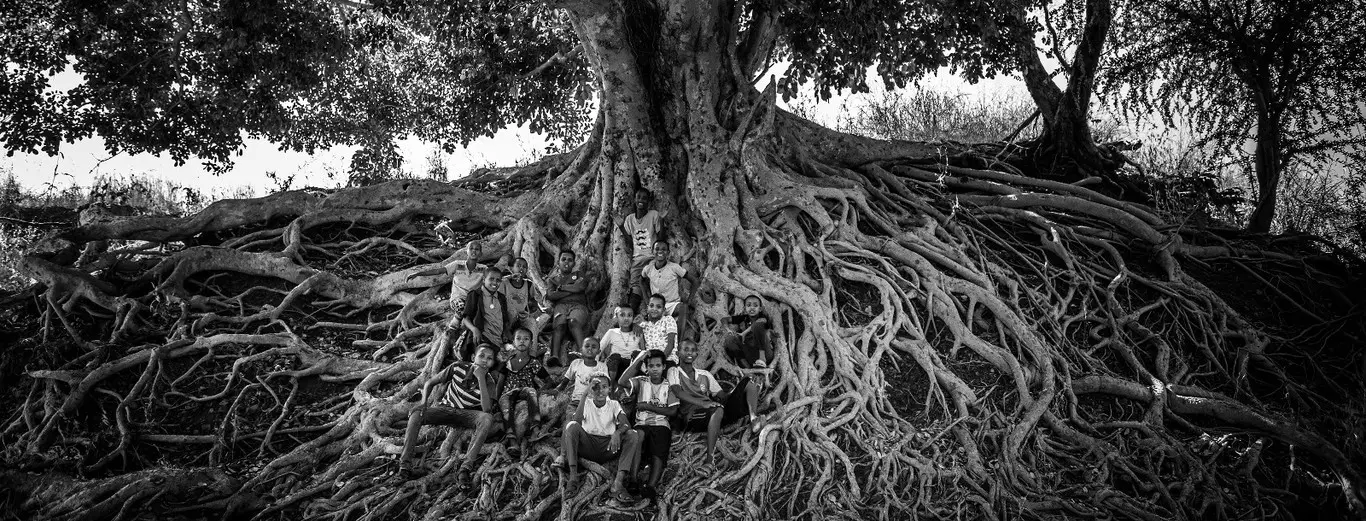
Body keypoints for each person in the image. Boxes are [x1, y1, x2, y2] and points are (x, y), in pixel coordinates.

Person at [400, 344, 502, 486]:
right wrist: (423, 403)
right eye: (482, 356)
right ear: (473, 357)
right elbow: (430, 382)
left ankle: (465, 468)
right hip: (445, 410)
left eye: (489, 359)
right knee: (416, 415)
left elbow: (486, 409)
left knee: (487, 419)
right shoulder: (457, 367)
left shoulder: (489, 382)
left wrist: (480, 379)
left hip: (467, 415)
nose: (485, 360)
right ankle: (405, 466)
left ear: (492, 363)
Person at [667, 340, 762, 464]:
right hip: (693, 417)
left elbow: (723, 396)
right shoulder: (674, 371)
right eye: (685, 349)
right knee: (717, 409)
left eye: (693, 350)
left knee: (750, 380)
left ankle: (754, 419)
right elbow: (678, 392)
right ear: (678, 353)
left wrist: (740, 386)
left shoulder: (705, 374)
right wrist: (703, 403)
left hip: (716, 414)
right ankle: (709, 460)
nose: (689, 353)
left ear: (696, 354)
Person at [562, 375, 642, 502]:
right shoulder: (586, 403)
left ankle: (618, 484)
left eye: (604, 387)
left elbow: (626, 424)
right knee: (571, 426)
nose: (600, 391)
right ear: (590, 389)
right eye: (595, 387)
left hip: (608, 447)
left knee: (633, 434)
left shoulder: (614, 404)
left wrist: (617, 433)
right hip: (588, 446)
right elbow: (576, 420)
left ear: (609, 389)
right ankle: (573, 478)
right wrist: (583, 396)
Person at [407, 239, 486, 361]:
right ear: (466, 251)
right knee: (462, 309)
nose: (474, 251)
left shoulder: (483, 269)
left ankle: (467, 349)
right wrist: (418, 274)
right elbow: (439, 270)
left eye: (477, 249)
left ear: (480, 253)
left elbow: (495, 278)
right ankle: (457, 321)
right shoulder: (457, 265)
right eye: (471, 248)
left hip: (473, 301)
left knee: (477, 316)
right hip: (458, 299)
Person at [618, 349, 678, 499]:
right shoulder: (641, 381)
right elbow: (621, 382)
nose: (655, 369)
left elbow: (672, 411)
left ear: (664, 367)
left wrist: (648, 406)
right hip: (642, 423)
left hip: (661, 425)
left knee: (659, 451)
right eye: (651, 366)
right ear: (646, 368)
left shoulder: (670, 385)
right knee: (637, 436)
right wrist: (639, 359)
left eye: (658, 365)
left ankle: (651, 486)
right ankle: (633, 480)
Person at [500, 328, 544, 455]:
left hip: (525, 391)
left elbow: (548, 380)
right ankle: (512, 441)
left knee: (531, 391)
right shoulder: (507, 362)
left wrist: (541, 391)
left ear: (531, 342)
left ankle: (535, 429)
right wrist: (496, 399)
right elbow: (500, 383)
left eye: (526, 339)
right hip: (508, 393)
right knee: (506, 407)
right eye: (518, 338)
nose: (522, 341)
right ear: (513, 342)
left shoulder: (534, 363)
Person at [460, 265, 514, 361]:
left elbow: (504, 320)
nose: (495, 282)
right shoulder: (475, 295)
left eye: (498, 280)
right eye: (491, 279)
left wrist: (509, 338)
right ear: (484, 279)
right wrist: (474, 329)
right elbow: (466, 318)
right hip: (482, 337)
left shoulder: (501, 298)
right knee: (490, 359)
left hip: (498, 339)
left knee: (513, 355)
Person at [546, 250, 592, 361]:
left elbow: (580, 287)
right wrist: (573, 289)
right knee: (559, 325)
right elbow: (551, 295)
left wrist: (561, 288)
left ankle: (583, 353)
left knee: (573, 322)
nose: (566, 262)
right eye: (564, 259)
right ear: (558, 262)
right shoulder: (553, 279)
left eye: (570, 260)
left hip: (578, 306)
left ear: (574, 263)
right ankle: (554, 356)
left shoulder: (579, 274)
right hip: (561, 306)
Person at [621, 189, 662, 312]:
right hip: (637, 260)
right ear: (634, 199)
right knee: (636, 286)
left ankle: (654, 312)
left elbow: (661, 239)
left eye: (644, 198)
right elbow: (630, 243)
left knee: (654, 285)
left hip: (652, 258)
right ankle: (632, 312)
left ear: (648, 201)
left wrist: (662, 221)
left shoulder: (654, 215)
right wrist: (620, 226)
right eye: (638, 197)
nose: (641, 200)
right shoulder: (629, 219)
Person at [639, 240, 697, 319]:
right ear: (652, 251)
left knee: (683, 309)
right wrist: (647, 301)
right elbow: (641, 281)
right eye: (657, 249)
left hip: (672, 304)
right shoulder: (648, 268)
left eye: (663, 249)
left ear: (668, 252)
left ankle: (679, 331)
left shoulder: (674, 267)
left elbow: (695, 281)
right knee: (646, 318)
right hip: (656, 306)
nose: (660, 251)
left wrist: (689, 301)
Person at [501, 257, 551, 344]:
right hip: (507, 317)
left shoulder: (528, 284)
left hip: (522, 316)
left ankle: (532, 351)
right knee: (512, 312)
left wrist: (541, 309)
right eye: (518, 266)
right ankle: (507, 334)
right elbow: (498, 283)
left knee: (532, 323)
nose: (521, 268)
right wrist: (510, 276)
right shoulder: (505, 282)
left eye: (524, 267)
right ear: (511, 268)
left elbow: (533, 299)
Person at [600, 304, 645, 383]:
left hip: (632, 367)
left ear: (633, 318)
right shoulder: (612, 332)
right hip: (616, 367)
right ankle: (611, 385)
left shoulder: (638, 332)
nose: (626, 318)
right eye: (622, 315)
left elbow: (643, 350)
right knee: (615, 357)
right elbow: (599, 349)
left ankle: (630, 382)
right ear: (616, 317)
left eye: (629, 315)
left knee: (637, 354)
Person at [724, 295, 773, 368]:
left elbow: (756, 325)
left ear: (760, 309)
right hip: (750, 355)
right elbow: (724, 320)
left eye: (755, 305)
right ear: (744, 308)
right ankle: (747, 367)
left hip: (765, 354)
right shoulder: (742, 318)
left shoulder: (763, 318)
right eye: (749, 305)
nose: (752, 308)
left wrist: (744, 333)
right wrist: (728, 330)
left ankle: (762, 360)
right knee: (729, 339)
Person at [560, 337, 609, 410]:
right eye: (587, 346)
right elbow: (564, 382)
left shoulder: (602, 367)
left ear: (598, 352)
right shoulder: (576, 363)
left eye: (594, 347)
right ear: (581, 350)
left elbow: (604, 386)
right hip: (576, 402)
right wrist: (556, 390)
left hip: (594, 402)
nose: (590, 348)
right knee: (571, 418)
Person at [639, 294, 679, 363]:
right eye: (651, 306)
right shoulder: (644, 325)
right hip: (650, 361)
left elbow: (670, 345)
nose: (654, 309)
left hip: (667, 359)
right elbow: (642, 348)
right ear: (647, 308)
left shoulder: (668, 320)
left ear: (664, 310)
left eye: (658, 307)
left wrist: (660, 361)